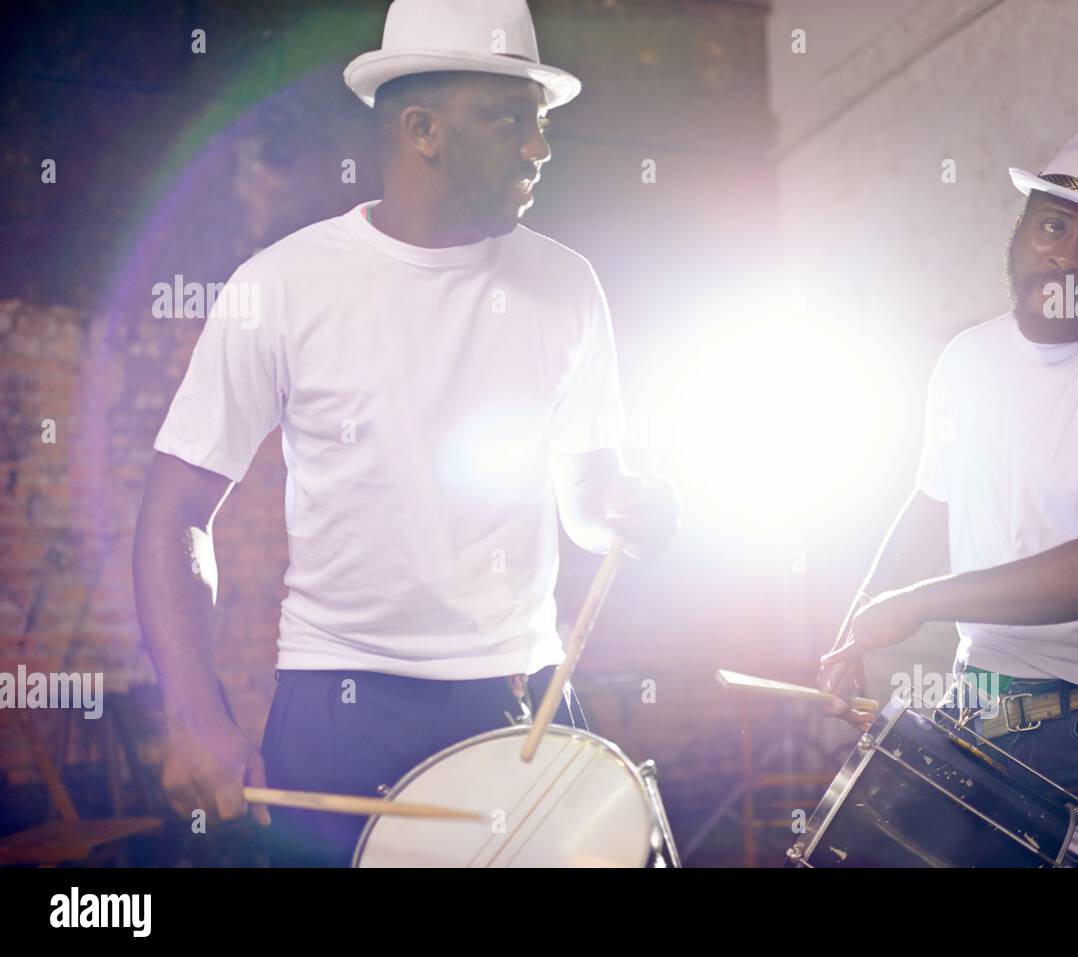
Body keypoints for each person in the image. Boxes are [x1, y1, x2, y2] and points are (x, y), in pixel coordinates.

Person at [133, 0, 679, 866]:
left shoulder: (570, 287)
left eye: (541, 125)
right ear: (422, 129)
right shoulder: (281, 286)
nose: (539, 147)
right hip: (340, 704)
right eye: (510, 121)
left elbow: (586, 497)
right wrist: (193, 709)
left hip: (522, 694)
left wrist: (625, 510)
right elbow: (176, 511)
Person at [817, 121, 1078, 867]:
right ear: (1022, 228)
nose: (1067, 256)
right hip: (981, 709)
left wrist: (921, 602)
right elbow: (931, 508)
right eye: (1054, 226)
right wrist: (859, 623)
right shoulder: (966, 359)